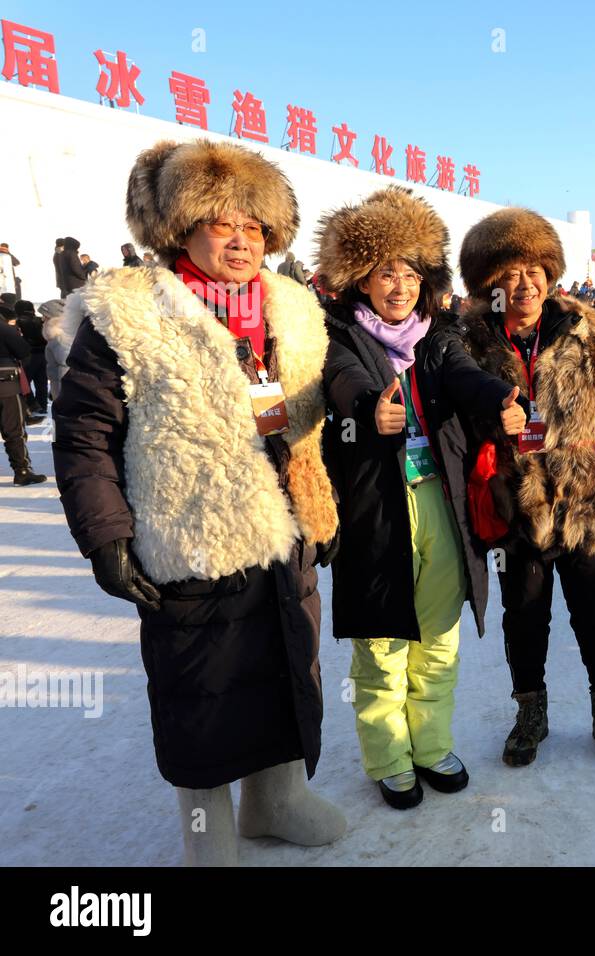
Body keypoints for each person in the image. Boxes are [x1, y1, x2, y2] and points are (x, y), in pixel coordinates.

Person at [52, 139, 346, 866]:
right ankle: (208, 836)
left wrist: (322, 503)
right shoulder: (127, 312)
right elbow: (84, 432)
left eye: (254, 225)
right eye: (222, 223)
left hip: (286, 535)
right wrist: (105, 535)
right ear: (181, 229)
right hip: (189, 537)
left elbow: (309, 422)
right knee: (203, 693)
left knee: (288, 671)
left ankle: (275, 801)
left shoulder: (294, 308)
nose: (242, 239)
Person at [317, 186, 526, 810]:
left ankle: (431, 744)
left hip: (439, 499)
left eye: (409, 273)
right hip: (375, 507)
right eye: (386, 273)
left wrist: (498, 399)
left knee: (438, 637)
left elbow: (463, 374)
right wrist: (364, 409)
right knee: (383, 645)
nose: (399, 286)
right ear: (362, 280)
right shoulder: (338, 333)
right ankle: (388, 757)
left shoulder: (438, 336)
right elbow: (339, 378)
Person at [457, 207, 595, 767]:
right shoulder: (470, 343)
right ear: (491, 282)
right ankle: (530, 714)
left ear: (550, 272)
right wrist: (495, 423)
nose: (524, 284)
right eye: (511, 274)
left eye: (534, 270)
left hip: (587, 497)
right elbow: (454, 421)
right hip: (515, 503)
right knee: (524, 611)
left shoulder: (586, 329)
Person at [0, 304, 46, 484]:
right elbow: (23, 351)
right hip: (6, 385)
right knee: (14, 431)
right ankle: (22, 470)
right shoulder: (5, 329)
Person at [40, 299, 76, 403]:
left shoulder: (60, 339)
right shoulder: (58, 337)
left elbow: (66, 369)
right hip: (61, 392)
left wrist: (63, 398)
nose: (42, 319)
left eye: (45, 317)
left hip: (65, 396)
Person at [14, 300, 47, 416]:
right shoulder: (41, 321)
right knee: (42, 383)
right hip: (43, 354)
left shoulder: (19, 322)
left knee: (24, 383)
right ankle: (42, 405)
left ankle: (31, 405)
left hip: (28, 355)